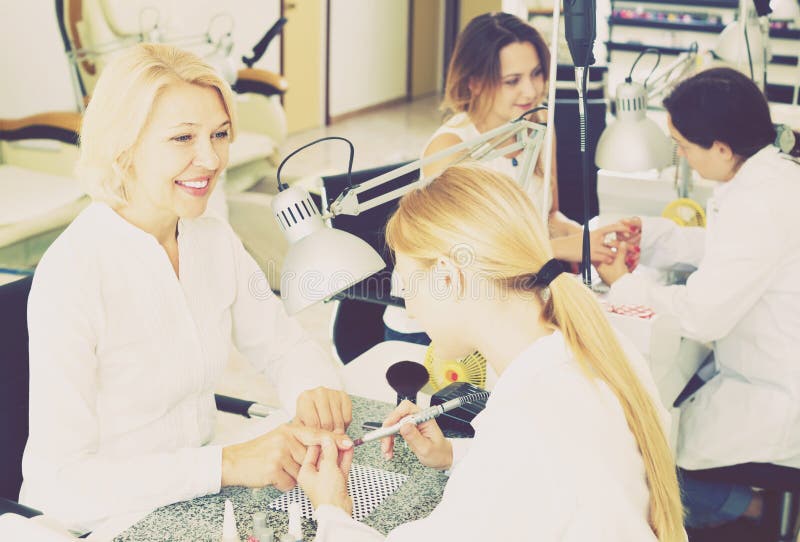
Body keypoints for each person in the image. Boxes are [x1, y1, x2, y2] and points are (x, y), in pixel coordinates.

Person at [19, 43, 353, 534]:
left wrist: (312, 389)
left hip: (195, 501)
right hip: (105, 520)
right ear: (123, 148)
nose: (211, 157)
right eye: (182, 138)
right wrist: (226, 465)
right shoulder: (73, 275)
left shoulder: (212, 238)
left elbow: (284, 346)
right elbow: (61, 483)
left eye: (220, 134)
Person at [297, 163, 685, 541]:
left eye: (408, 285)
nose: (410, 309)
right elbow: (541, 485)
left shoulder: (524, 425)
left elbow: (521, 464)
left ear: (449, 277)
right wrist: (454, 454)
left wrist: (331, 509)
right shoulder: (597, 346)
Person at [597, 67, 800, 530]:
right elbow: (730, 252)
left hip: (780, 398)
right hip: (761, 373)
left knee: (639, 459)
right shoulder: (765, 177)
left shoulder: (763, 202)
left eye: (684, 147)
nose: (681, 156)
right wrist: (652, 236)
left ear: (722, 149)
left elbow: (702, 316)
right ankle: (750, 509)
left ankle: (753, 513)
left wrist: (625, 285)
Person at [383, 12, 639, 343]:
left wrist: (596, 241)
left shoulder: (539, 124)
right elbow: (466, 257)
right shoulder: (451, 149)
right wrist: (562, 248)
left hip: (501, 306)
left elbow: (547, 215)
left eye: (536, 74)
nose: (531, 90)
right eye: (512, 81)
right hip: (435, 323)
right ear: (474, 82)